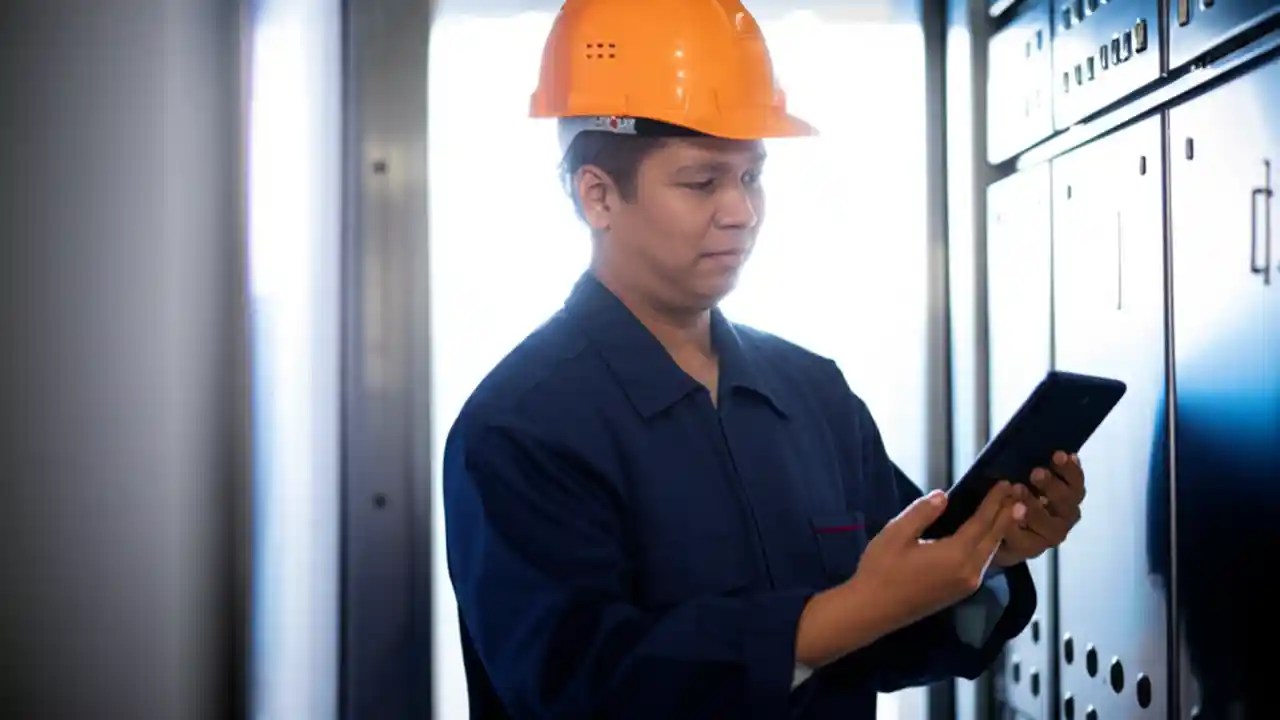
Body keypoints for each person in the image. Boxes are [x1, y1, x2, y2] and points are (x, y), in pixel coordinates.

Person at [442, 1, 1086, 717]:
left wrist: (987, 558)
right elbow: (582, 687)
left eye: (751, 178)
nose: (741, 211)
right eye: (701, 182)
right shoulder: (519, 428)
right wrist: (847, 612)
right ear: (597, 194)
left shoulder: (810, 394)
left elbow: (896, 631)